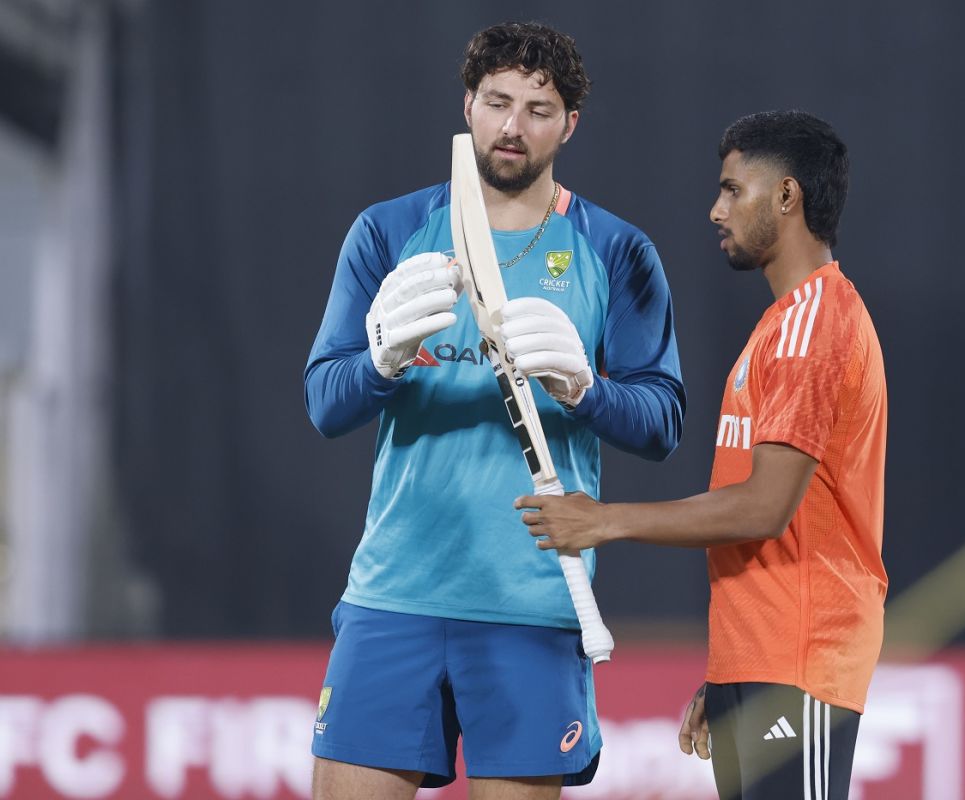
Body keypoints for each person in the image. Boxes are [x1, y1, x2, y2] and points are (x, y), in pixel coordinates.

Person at [303, 22, 685, 800]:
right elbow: (324, 404)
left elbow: (662, 423)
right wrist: (379, 363)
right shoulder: (389, 231)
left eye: (538, 110)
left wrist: (585, 389)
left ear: (569, 124)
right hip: (394, 594)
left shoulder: (615, 249)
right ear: (467, 106)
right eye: (497, 102)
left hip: (533, 604)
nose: (513, 126)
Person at [516, 110, 887, 800]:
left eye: (733, 190)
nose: (716, 210)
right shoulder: (784, 323)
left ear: (787, 196)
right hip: (762, 659)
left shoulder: (815, 324)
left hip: (800, 658)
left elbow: (764, 508)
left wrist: (604, 520)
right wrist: (731, 670)